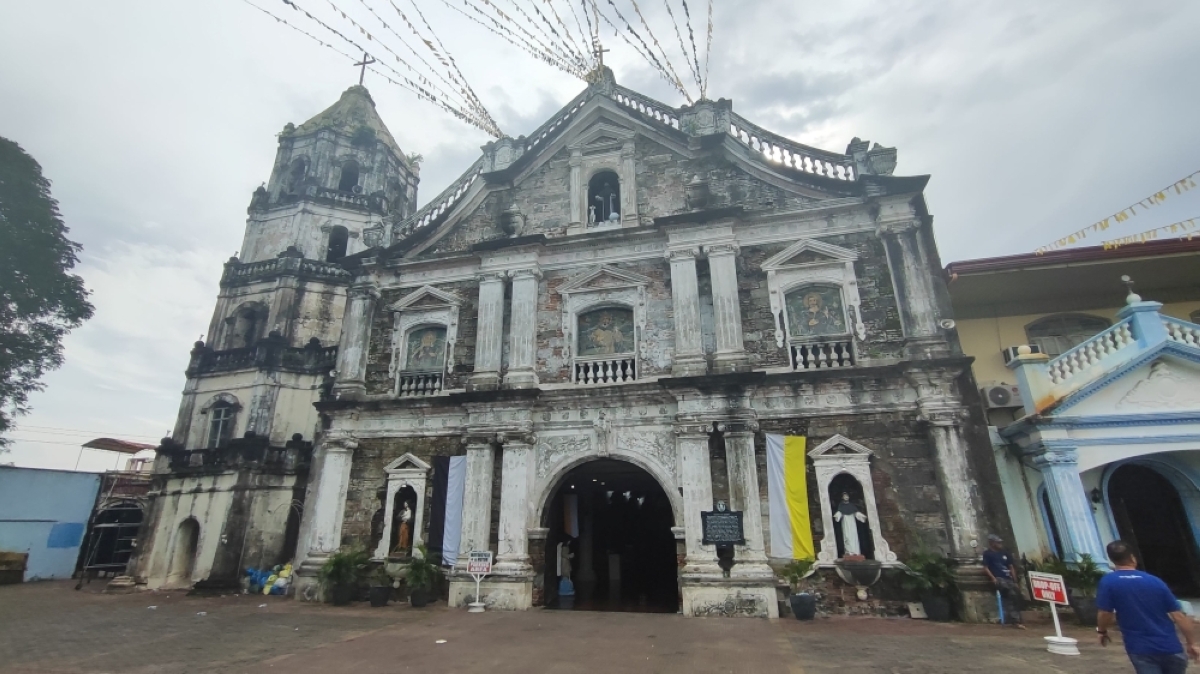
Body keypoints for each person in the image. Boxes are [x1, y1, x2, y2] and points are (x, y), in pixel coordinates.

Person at [1097, 540, 1199, 674]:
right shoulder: (1155, 581)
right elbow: (1179, 616)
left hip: (1141, 649)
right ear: (1133, 558)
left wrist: (1102, 631)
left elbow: (1105, 613)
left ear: (1111, 560)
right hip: (1171, 647)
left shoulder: (1108, 582)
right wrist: (1192, 643)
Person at [982, 534, 1025, 629]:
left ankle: (1015, 618)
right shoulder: (988, 554)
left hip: (1008, 578)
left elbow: (1011, 567)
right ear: (992, 543)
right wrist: (993, 578)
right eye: (997, 542)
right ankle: (1015, 620)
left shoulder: (1005, 553)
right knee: (1010, 593)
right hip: (999, 578)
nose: (1000, 544)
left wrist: (1015, 580)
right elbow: (986, 568)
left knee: (1016, 595)